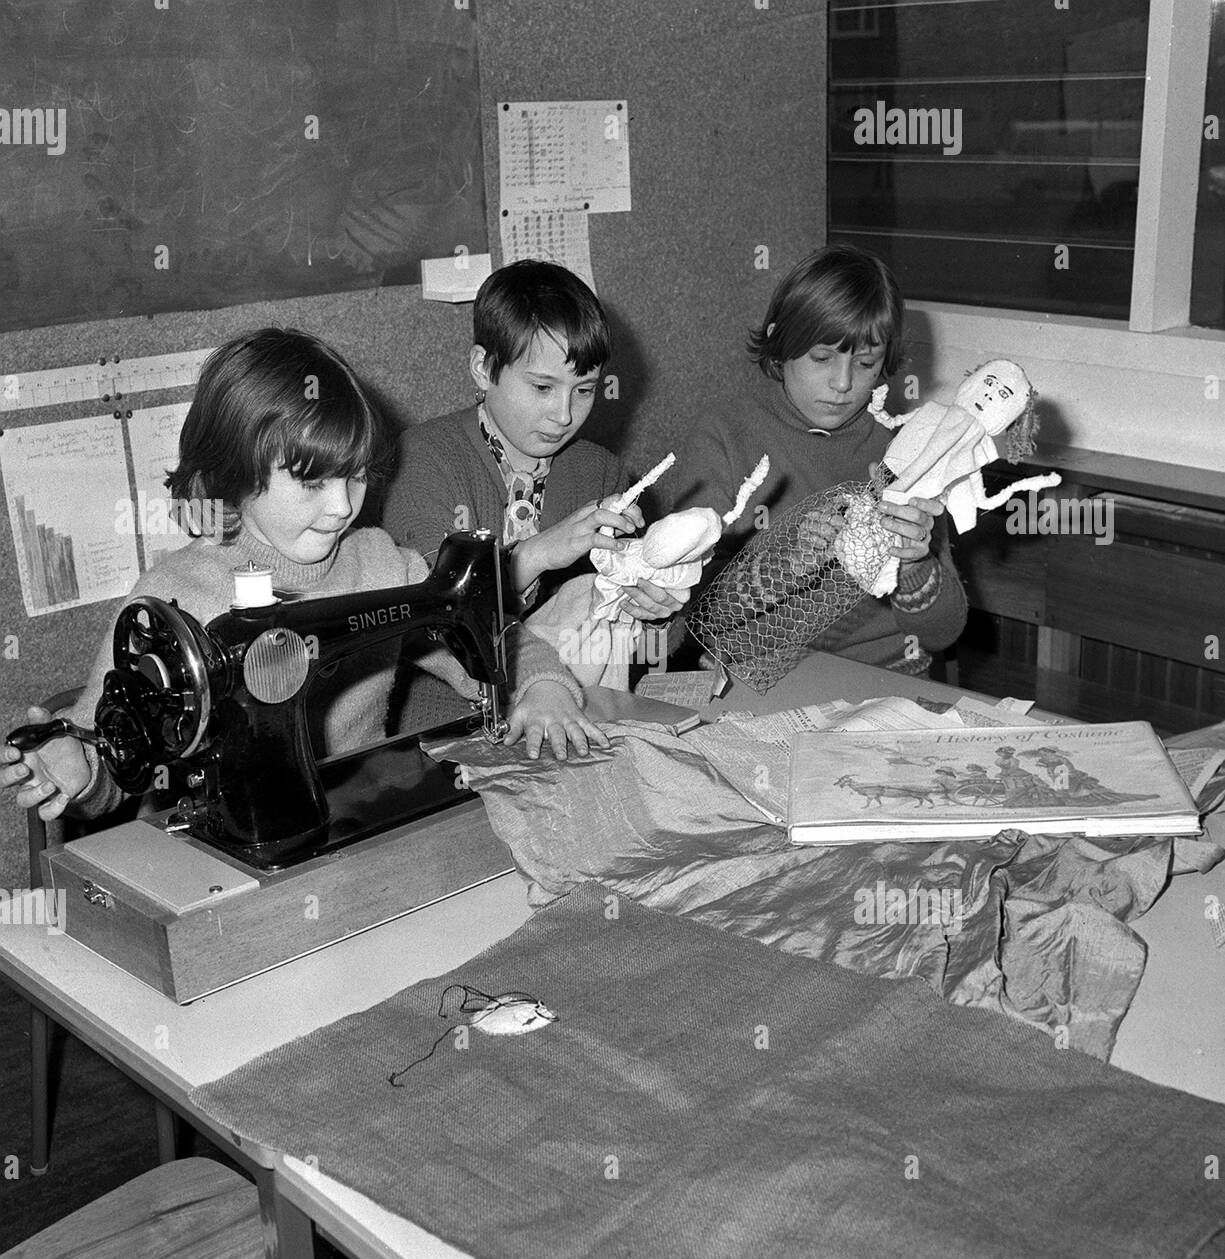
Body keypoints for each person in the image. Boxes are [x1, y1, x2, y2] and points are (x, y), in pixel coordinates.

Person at [2, 328, 607, 824]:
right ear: (235, 473)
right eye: (313, 482)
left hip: (352, 826)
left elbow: (488, 638)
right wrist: (82, 770)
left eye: (357, 475)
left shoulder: (380, 562)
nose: (344, 506)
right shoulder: (168, 600)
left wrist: (543, 686)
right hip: (209, 853)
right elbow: (115, 751)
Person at [382, 260, 686, 705]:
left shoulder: (601, 473)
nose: (564, 416)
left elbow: (641, 651)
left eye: (584, 390)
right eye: (543, 388)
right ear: (483, 368)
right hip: (451, 716)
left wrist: (655, 614)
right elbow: (431, 619)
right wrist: (534, 556)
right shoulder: (424, 461)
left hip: (574, 711)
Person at [671, 243, 967, 673]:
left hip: (887, 678)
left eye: (866, 363)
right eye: (822, 358)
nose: (843, 383)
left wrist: (916, 565)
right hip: (762, 680)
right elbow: (692, 618)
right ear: (781, 343)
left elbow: (944, 634)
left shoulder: (905, 450)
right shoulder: (724, 436)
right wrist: (782, 564)